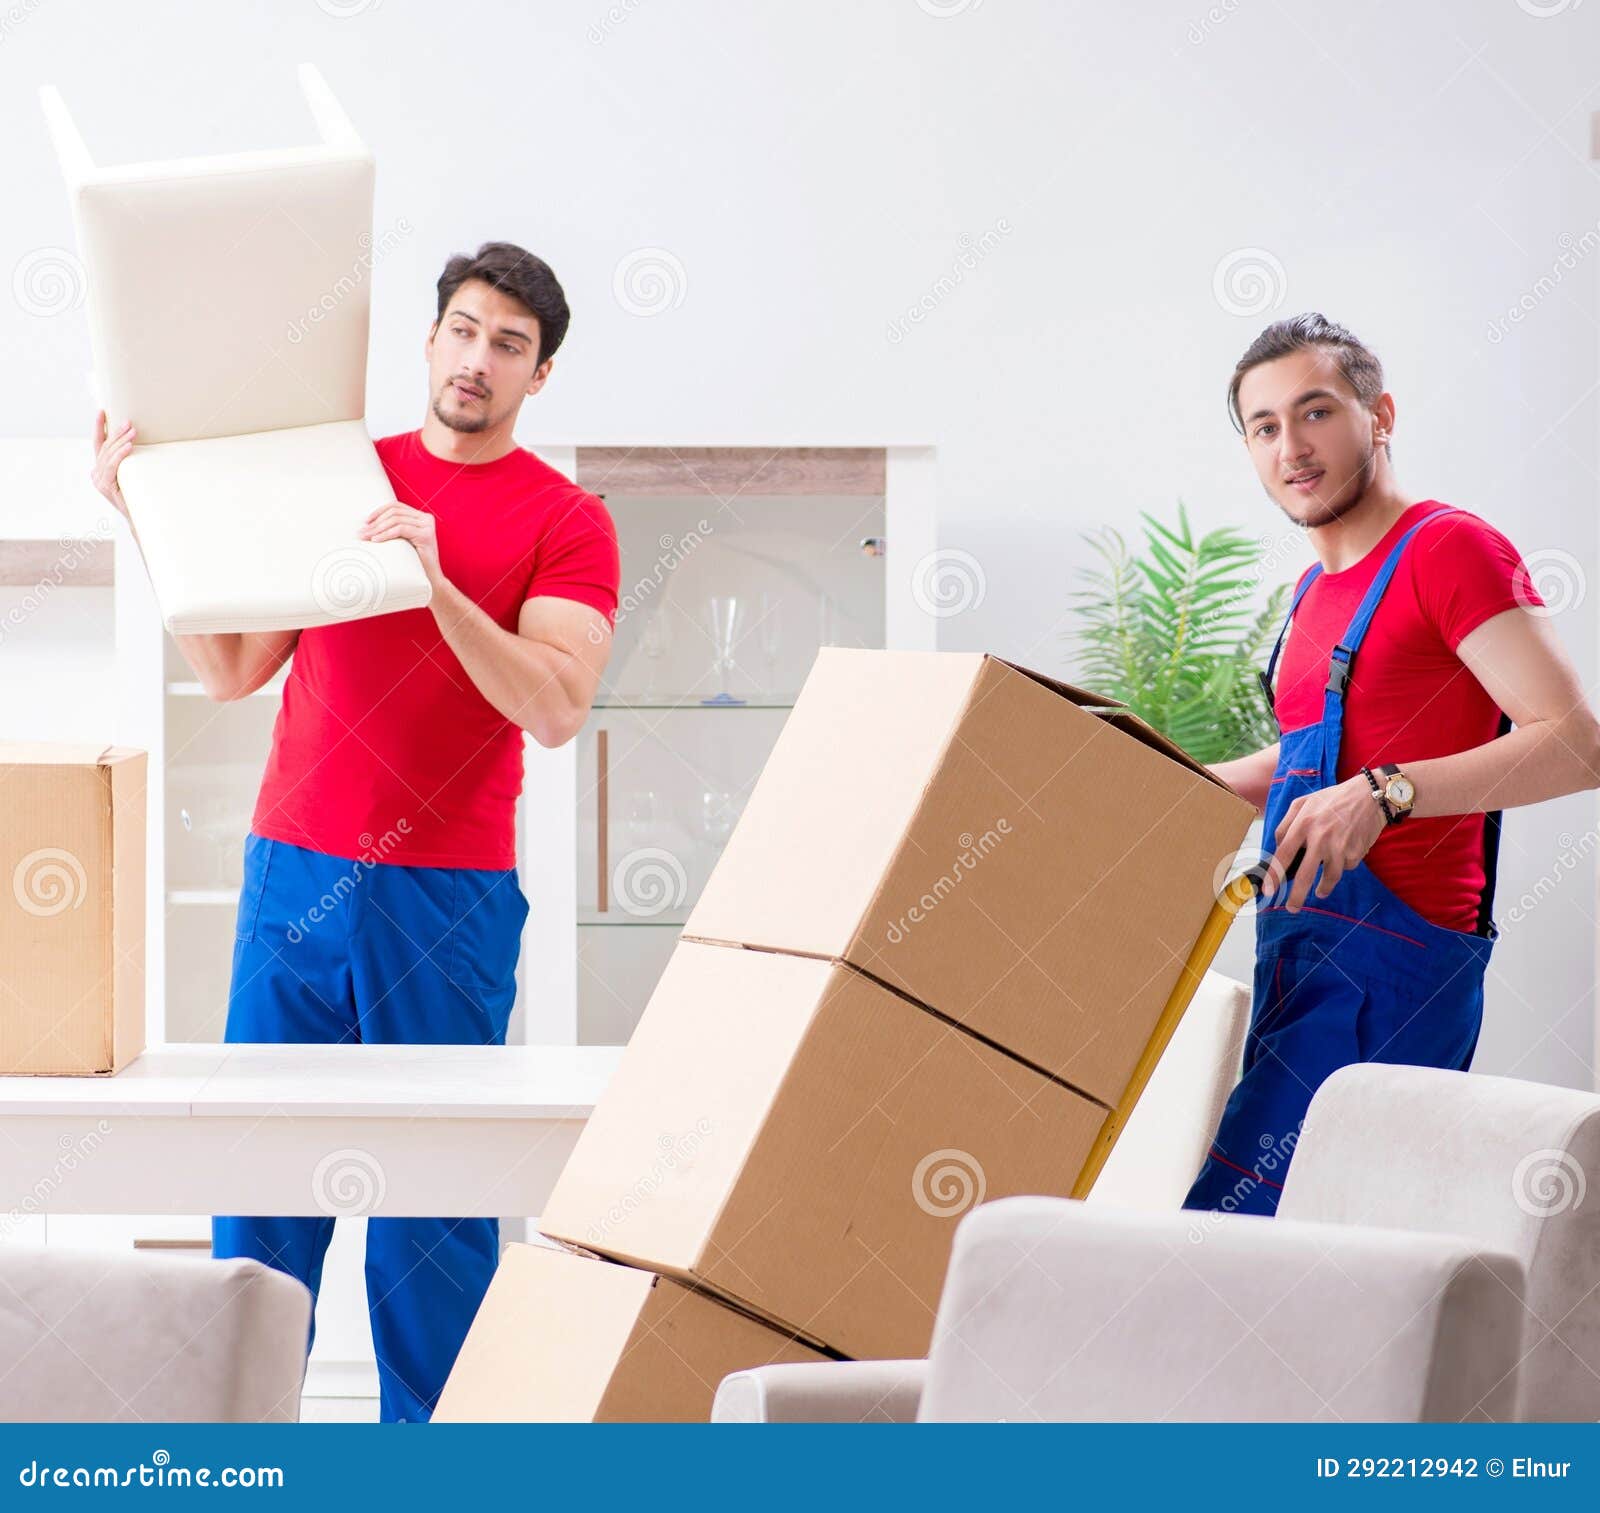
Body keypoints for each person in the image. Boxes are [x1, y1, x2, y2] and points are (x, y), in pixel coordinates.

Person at [91, 241, 621, 1420]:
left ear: (540, 376)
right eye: (465, 330)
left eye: (510, 345)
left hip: (448, 898)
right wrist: (143, 511)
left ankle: (427, 1471)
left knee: (430, 1221)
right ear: (430, 340)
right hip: (294, 878)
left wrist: (435, 583)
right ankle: (240, 1455)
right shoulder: (343, 477)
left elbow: (554, 705)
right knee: (258, 1198)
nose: (478, 360)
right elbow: (233, 668)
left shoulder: (567, 521)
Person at [1184, 312, 1600, 1217]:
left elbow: (1575, 744)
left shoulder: (1450, 550)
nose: (1291, 446)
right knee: (1257, 1267)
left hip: (1392, 985)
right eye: (1264, 427)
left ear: (1381, 416)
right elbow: (1313, 760)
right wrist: (1182, 786)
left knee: (1249, 1260)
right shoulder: (1310, 595)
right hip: (1300, 969)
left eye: (1317, 411)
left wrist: (1387, 794)